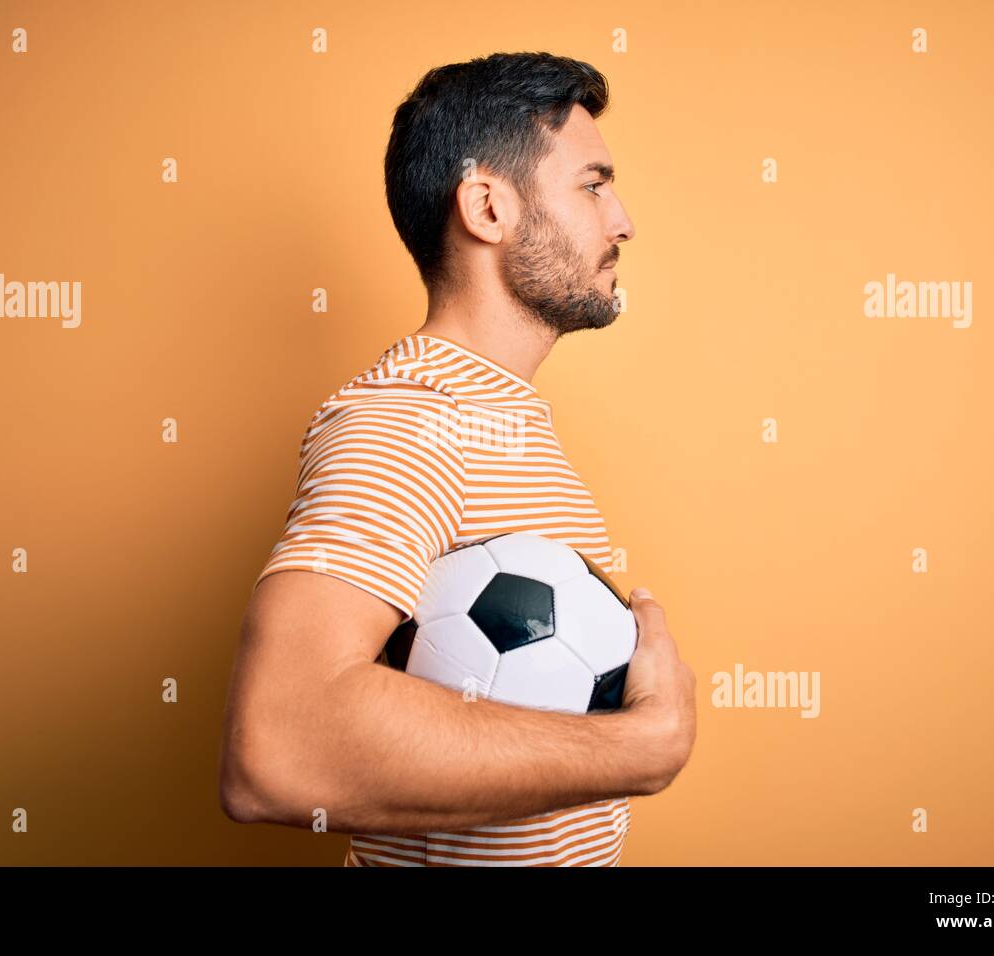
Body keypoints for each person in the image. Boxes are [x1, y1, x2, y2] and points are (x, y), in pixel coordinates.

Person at [219, 51, 696, 866]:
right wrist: (646, 745)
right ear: (487, 207)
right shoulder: (409, 422)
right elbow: (277, 752)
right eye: (592, 184)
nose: (622, 221)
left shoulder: (496, 414)